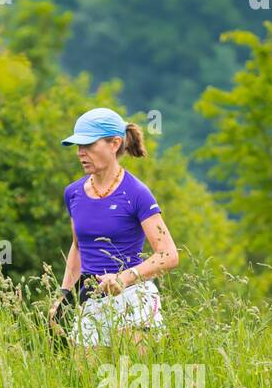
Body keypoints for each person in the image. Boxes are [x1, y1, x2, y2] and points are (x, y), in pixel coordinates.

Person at [48, 107, 179, 353]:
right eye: (77, 146)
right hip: (91, 301)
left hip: (133, 300)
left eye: (88, 145)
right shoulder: (73, 193)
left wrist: (124, 278)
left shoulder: (136, 193)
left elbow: (169, 254)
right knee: (88, 385)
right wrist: (63, 295)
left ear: (114, 144)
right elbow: (78, 247)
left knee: (131, 383)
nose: (80, 153)